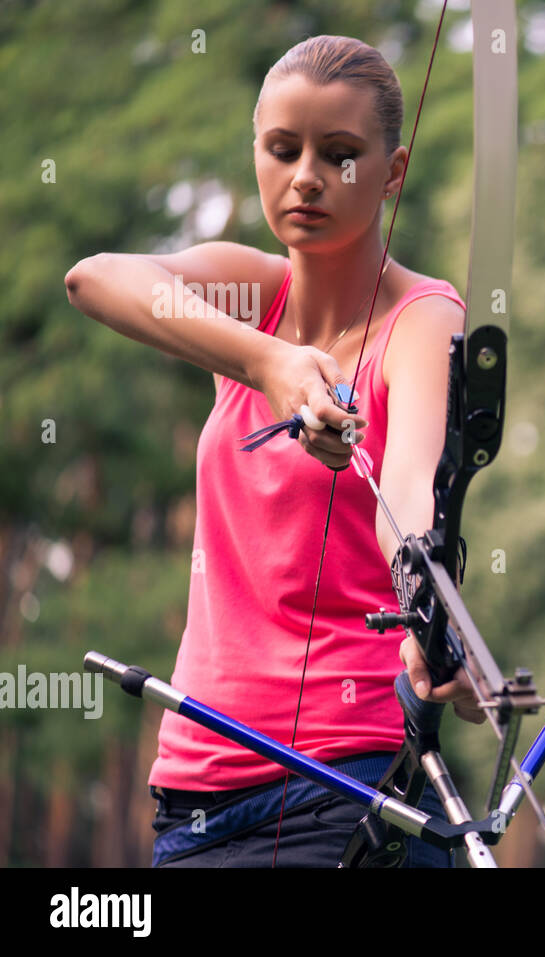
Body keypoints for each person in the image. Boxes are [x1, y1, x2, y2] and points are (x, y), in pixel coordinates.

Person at [64, 35, 483, 867]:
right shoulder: (247, 292)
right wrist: (271, 361)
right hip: (195, 792)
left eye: (340, 154)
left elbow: (411, 485)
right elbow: (94, 277)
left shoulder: (425, 319)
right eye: (282, 149)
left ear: (392, 174)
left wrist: (436, 617)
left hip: (349, 786)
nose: (306, 177)